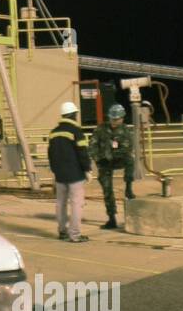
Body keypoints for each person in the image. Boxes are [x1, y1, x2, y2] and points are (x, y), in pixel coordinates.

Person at [47, 100, 91, 242]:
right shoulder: (76, 132)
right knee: (76, 205)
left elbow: (51, 155)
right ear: (74, 115)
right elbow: (82, 152)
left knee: (61, 204)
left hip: (60, 175)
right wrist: (87, 169)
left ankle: (62, 232)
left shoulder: (53, 133)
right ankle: (75, 235)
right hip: (75, 175)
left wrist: (55, 172)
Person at [90, 103, 135, 230]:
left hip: (117, 160)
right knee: (107, 188)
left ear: (122, 118)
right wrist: (98, 158)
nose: (114, 122)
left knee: (130, 160)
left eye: (117, 119)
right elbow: (92, 145)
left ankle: (129, 187)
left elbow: (126, 149)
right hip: (104, 162)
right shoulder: (101, 129)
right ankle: (111, 218)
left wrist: (111, 155)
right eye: (112, 119)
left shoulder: (125, 131)